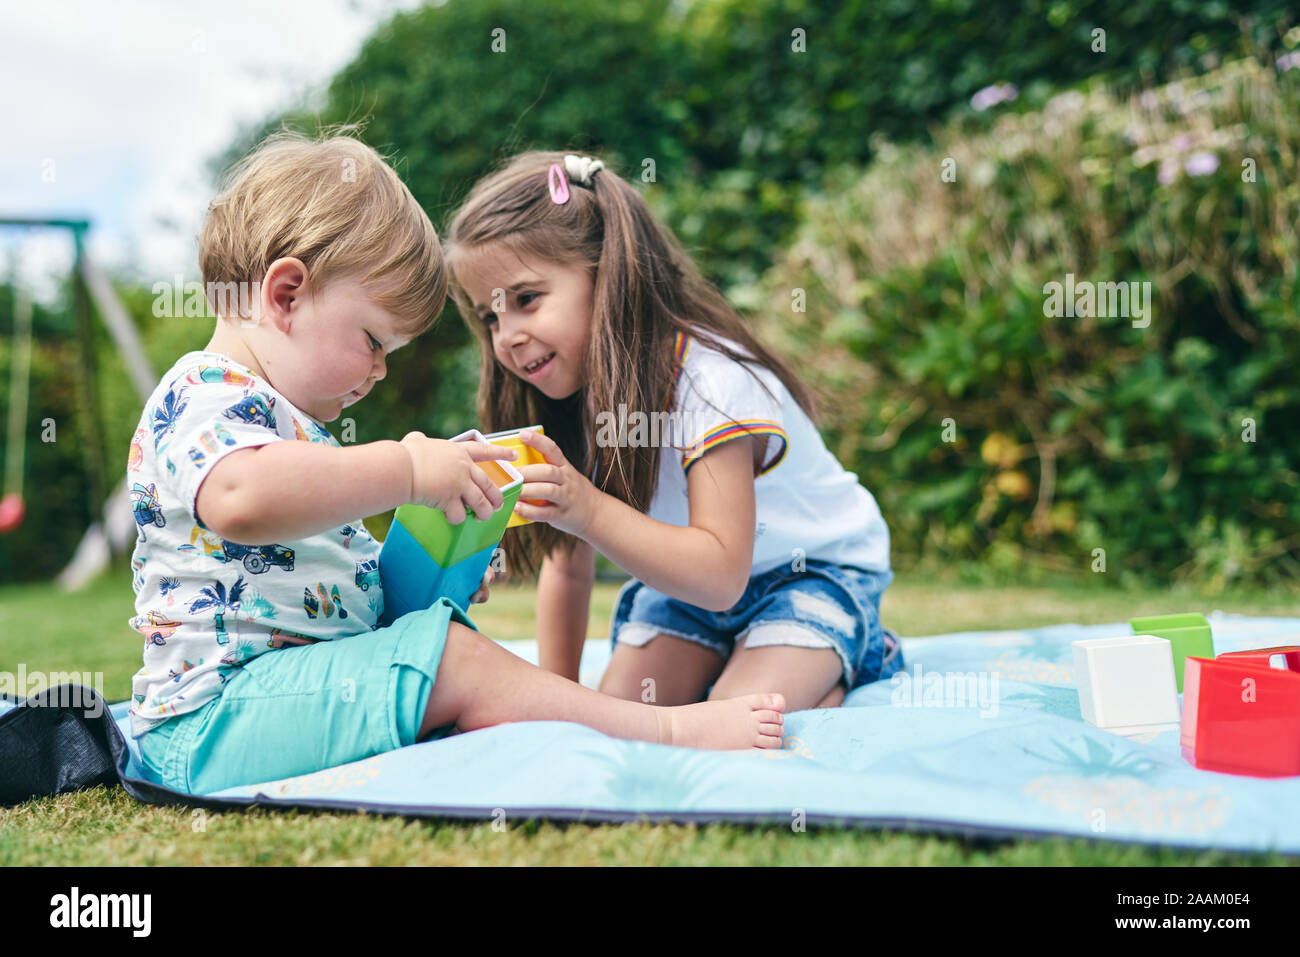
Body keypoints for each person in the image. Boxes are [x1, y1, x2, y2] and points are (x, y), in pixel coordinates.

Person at [127, 133, 786, 796]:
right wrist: (408, 466)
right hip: (213, 720)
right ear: (287, 295)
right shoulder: (204, 392)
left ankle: (553, 714)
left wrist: (435, 568)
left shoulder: (290, 425)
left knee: (440, 641)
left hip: (277, 700)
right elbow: (241, 498)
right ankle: (667, 731)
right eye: (373, 341)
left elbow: (326, 592)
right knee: (453, 660)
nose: (380, 372)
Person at [444, 151, 902, 712]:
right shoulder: (576, 399)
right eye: (491, 316)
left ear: (607, 273)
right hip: (686, 595)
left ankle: (857, 653)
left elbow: (720, 574)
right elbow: (568, 561)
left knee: (734, 721)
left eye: (526, 300)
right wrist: (558, 705)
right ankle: (775, 667)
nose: (507, 335)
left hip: (809, 575)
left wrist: (586, 509)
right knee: (622, 716)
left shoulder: (712, 383)